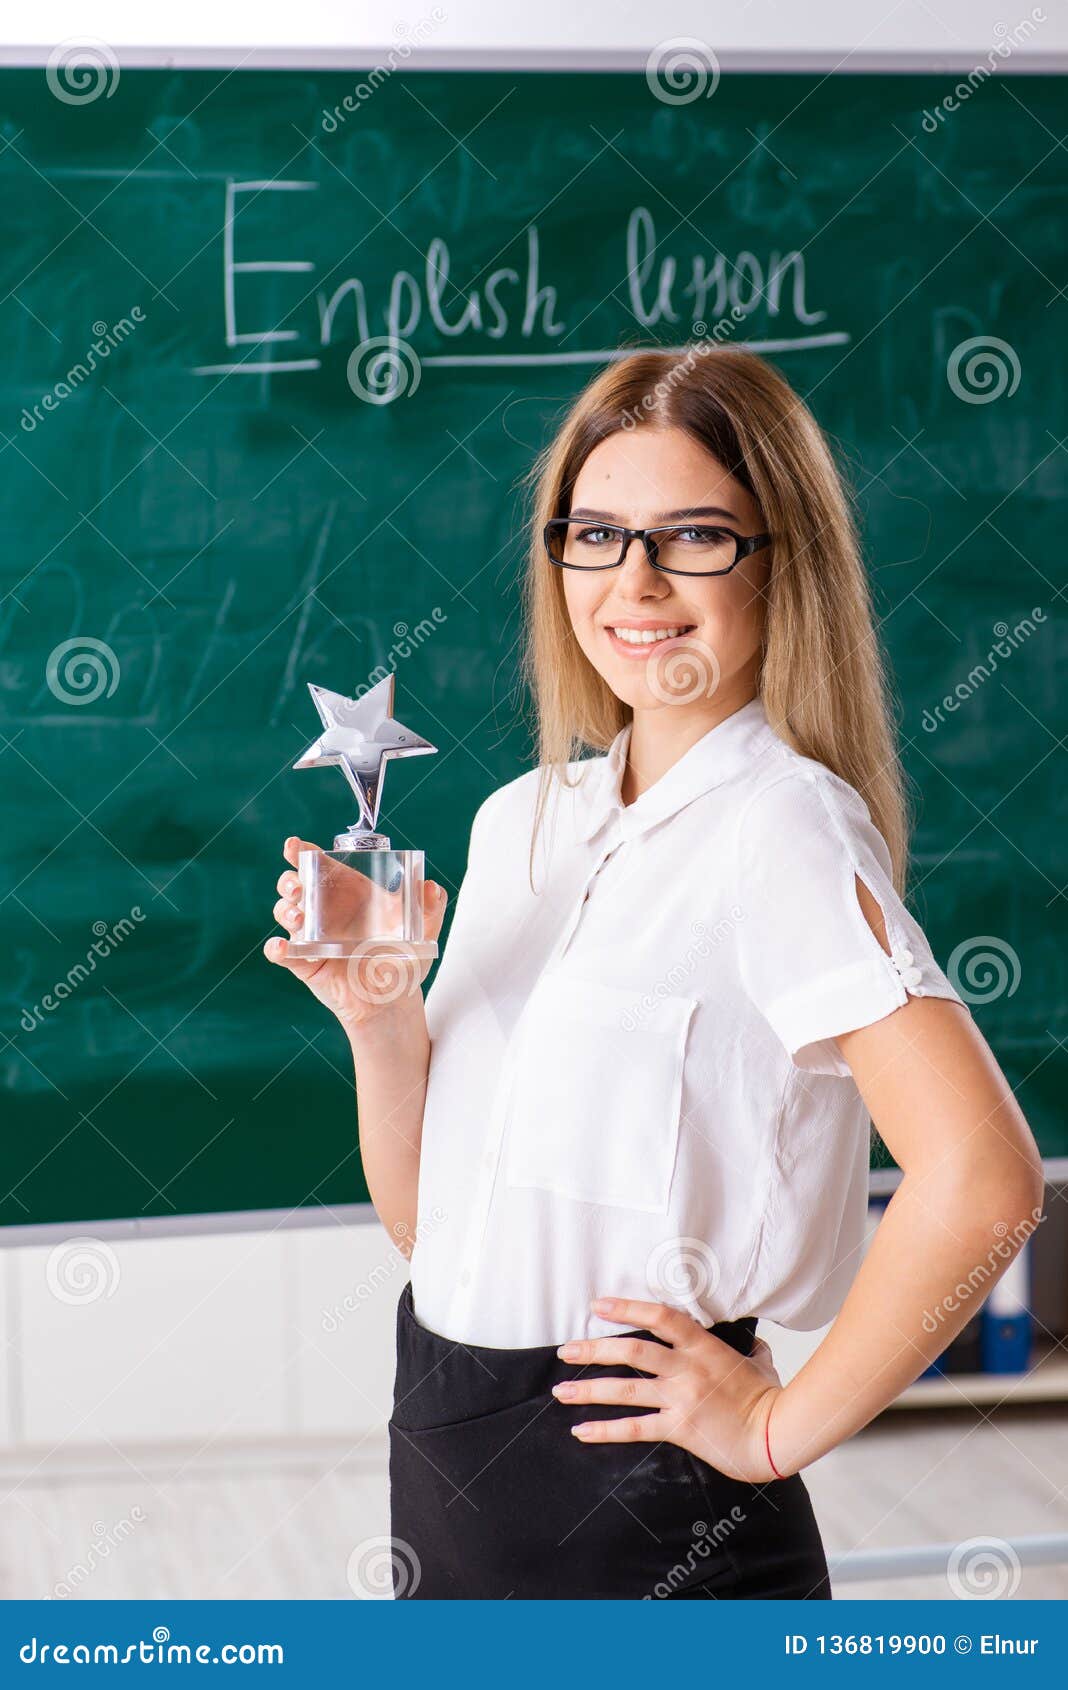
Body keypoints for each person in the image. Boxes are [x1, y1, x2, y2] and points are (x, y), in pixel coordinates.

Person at [264, 345, 1044, 1601]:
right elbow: (433, 1229)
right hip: (446, 1472)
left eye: (693, 536)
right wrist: (380, 1019)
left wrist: (775, 1428)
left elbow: (984, 1180)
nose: (635, 581)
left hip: (644, 1519)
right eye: (597, 534)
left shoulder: (782, 827)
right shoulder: (522, 823)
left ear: (780, 560)